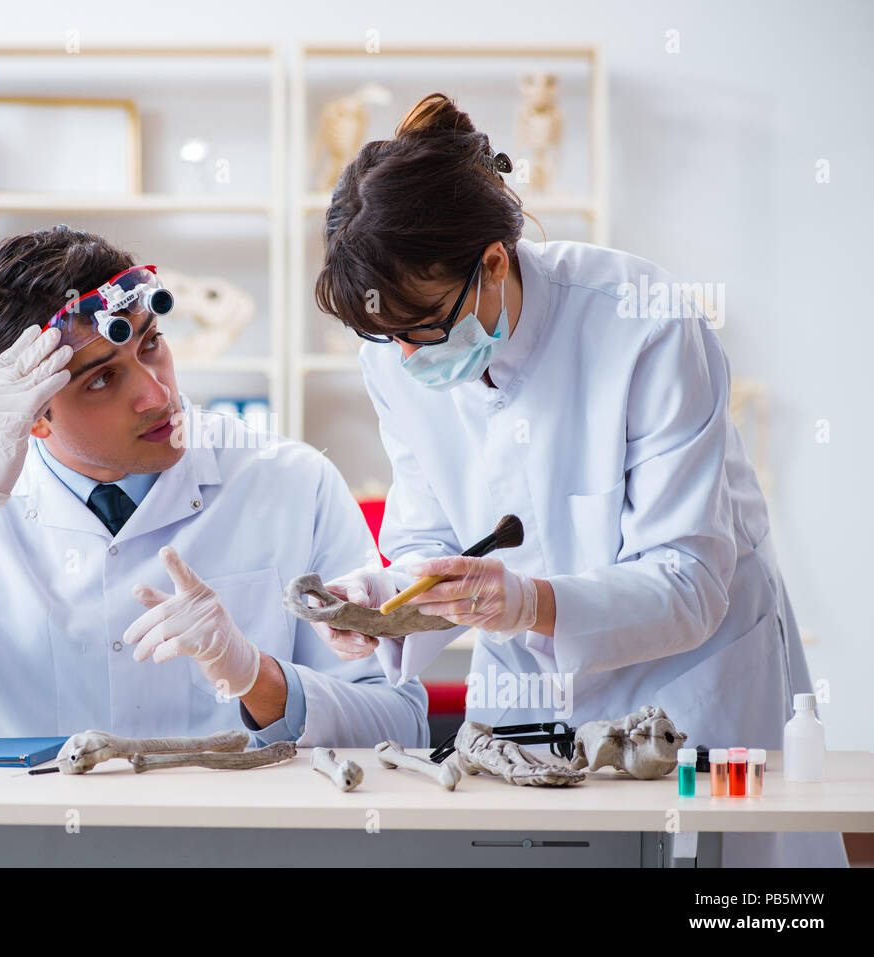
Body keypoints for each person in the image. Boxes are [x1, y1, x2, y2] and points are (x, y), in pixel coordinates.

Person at [309, 93, 846, 867]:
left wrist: (530, 599)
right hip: (524, 684)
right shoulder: (398, 349)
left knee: (719, 896)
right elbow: (430, 541)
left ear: (495, 261)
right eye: (381, 334)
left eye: (421, 327)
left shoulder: (641, 322)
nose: (403, 357)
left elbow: (691, 579)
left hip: (690, 677)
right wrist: (383, 602)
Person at [0, 226, 427, 751]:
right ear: (34, 413)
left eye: (151, 345)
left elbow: (401, 727)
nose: (157, 394)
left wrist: (257, 678)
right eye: (102, 380)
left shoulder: (292, 483)